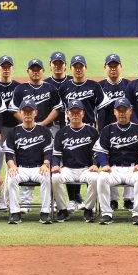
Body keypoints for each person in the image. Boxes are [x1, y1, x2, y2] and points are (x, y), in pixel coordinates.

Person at [58, 55, 110, 212]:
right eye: (75, 66)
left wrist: (99, 129)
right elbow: (61, 111)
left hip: (89, 128)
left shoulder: (94, 86)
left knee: (88, 164)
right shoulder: (65, 87)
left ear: (85, 68)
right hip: (69, 128)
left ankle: (87, 202)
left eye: (81, 66)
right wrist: (62, 130)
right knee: (69, 162)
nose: (78, 69)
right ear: (71, 69)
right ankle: (73, 199)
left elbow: (102, 108)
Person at [94, 98, 138, 225]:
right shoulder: (107, 130)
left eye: (125, 110)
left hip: (133, 168)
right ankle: (106, 213)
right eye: (119, 110)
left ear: (130, 111)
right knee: (102, 178)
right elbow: (101, 151)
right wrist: (104, 164)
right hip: (114, 169)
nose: (122, 113)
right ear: (114, 112)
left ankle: (137, 214)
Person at [3, 99, 54, 224]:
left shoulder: (44, 131)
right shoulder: (13, 132)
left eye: (30, 111)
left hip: (38, 168)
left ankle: (45, 212)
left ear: (35, 112)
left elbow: (48, 152)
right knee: (11, 176)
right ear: (20, 113)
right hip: (21, 168)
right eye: (25, 111)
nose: (27, 114)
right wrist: (12, 166)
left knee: (47, 176)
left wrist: (45, 164)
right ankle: (15, 213)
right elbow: (9, 153)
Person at [51, 100, 101, 223]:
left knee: (94, 178)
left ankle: (88, 209)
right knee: (55, 178)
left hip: (86, 168)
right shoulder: (62, 133)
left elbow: (98, 152)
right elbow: (56, 153)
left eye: (78, 112)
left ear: (83, 113)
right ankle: (62, 210)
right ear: (68, 114)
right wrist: (56, 165)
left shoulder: (92, 131)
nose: (75, 115)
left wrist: (96, 164)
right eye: (72, 112)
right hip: (68, 169)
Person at [98, 53, 134, 209]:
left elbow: (134, 109)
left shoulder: (129, 85)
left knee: (129, 158)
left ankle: (129, 198)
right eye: (110, 66)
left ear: (121, 67)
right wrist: (100, 131)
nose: (113, 69)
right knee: (110, 162)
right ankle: (112, 199)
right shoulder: (99, 86)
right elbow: (99, 112)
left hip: (128, 129)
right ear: (105, 68)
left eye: (115, 66)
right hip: (108, 131)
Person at [0, 55, 19, 211]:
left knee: (13, 166)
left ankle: (11, 200)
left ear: (12, 69)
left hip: (14, 131)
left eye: (9, 66)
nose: (6, 69)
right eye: (3, 66)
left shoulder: (18, 87)